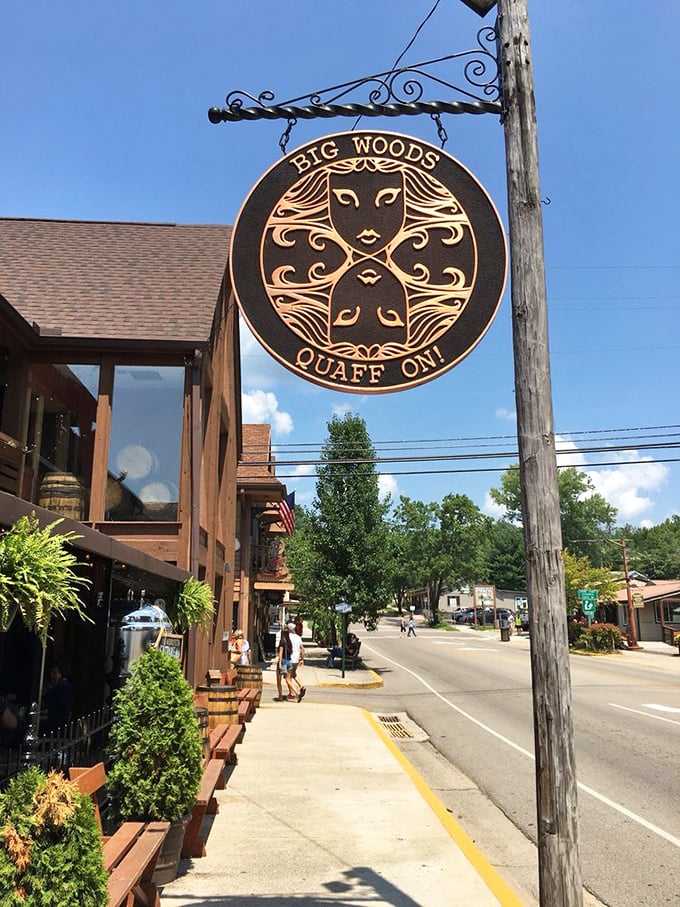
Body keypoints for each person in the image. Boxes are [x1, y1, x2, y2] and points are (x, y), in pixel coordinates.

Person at [43, 665, 71, 734]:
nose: (52, 675)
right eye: (51, 673)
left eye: (54, 673)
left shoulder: (62, 687)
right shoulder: (59, 687)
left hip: (58, 722)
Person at [286, 620, 306, 702]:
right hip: (296, 660)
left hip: (289, 659)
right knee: (293, 674)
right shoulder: (298, 637)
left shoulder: (287, 637)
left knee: (287, 678)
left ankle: (294, 693)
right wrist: (302, 659)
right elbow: (302, 649)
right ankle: (302, 686)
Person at [275, 627, 295, 701]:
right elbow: (292, 652)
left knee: (279, 680)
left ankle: (280, 696)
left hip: (283, 661)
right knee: (288, 680)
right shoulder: (289, 642)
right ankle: (295, 693)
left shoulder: (282, 641)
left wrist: (279, 663)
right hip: (289, 661)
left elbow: (280, 653)